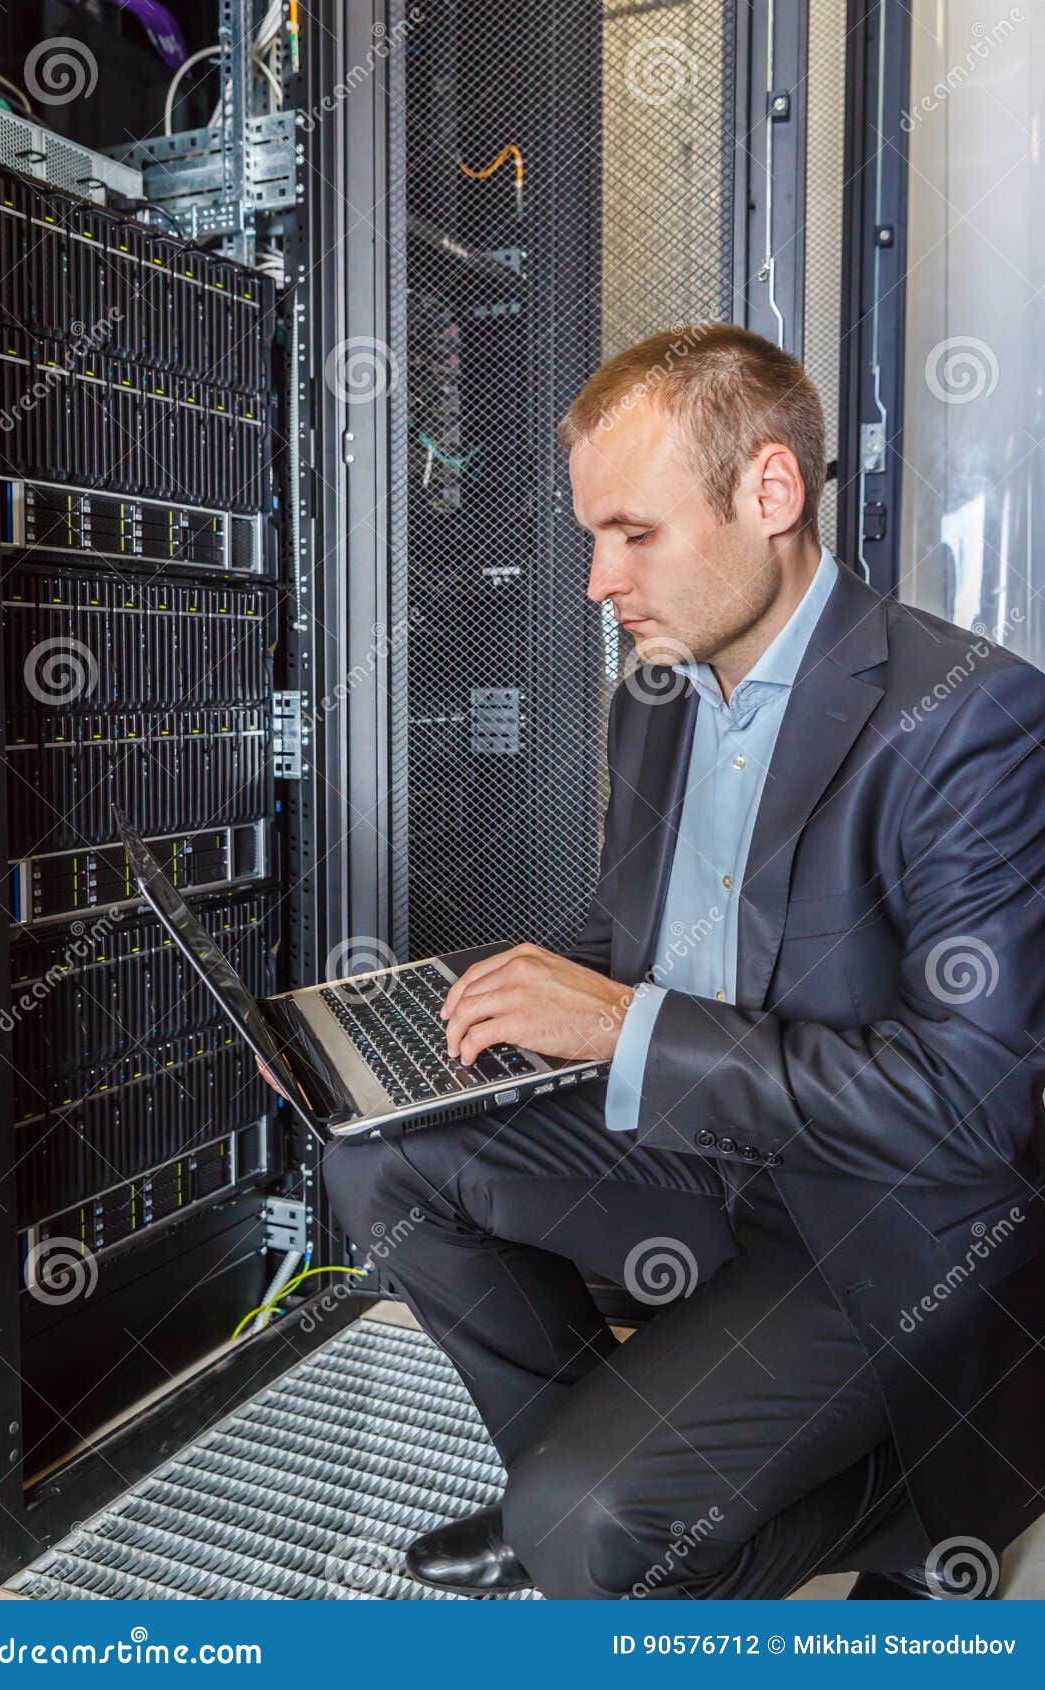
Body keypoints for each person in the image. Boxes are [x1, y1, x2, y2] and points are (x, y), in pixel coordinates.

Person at [299, 324, 1045, 1599]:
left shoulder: (970, 717)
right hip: (701, 1149)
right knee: (378, 1156)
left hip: (876, 1216)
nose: (598, 580)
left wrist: (621, 1027)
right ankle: (567, 1479)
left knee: (594, 1528)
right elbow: (626, 934)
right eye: (592, 536)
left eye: (633, 534)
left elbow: (967, 1113)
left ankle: (884, 1497)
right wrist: (442, 1012)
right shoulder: (654, 695)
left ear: (770, 491)